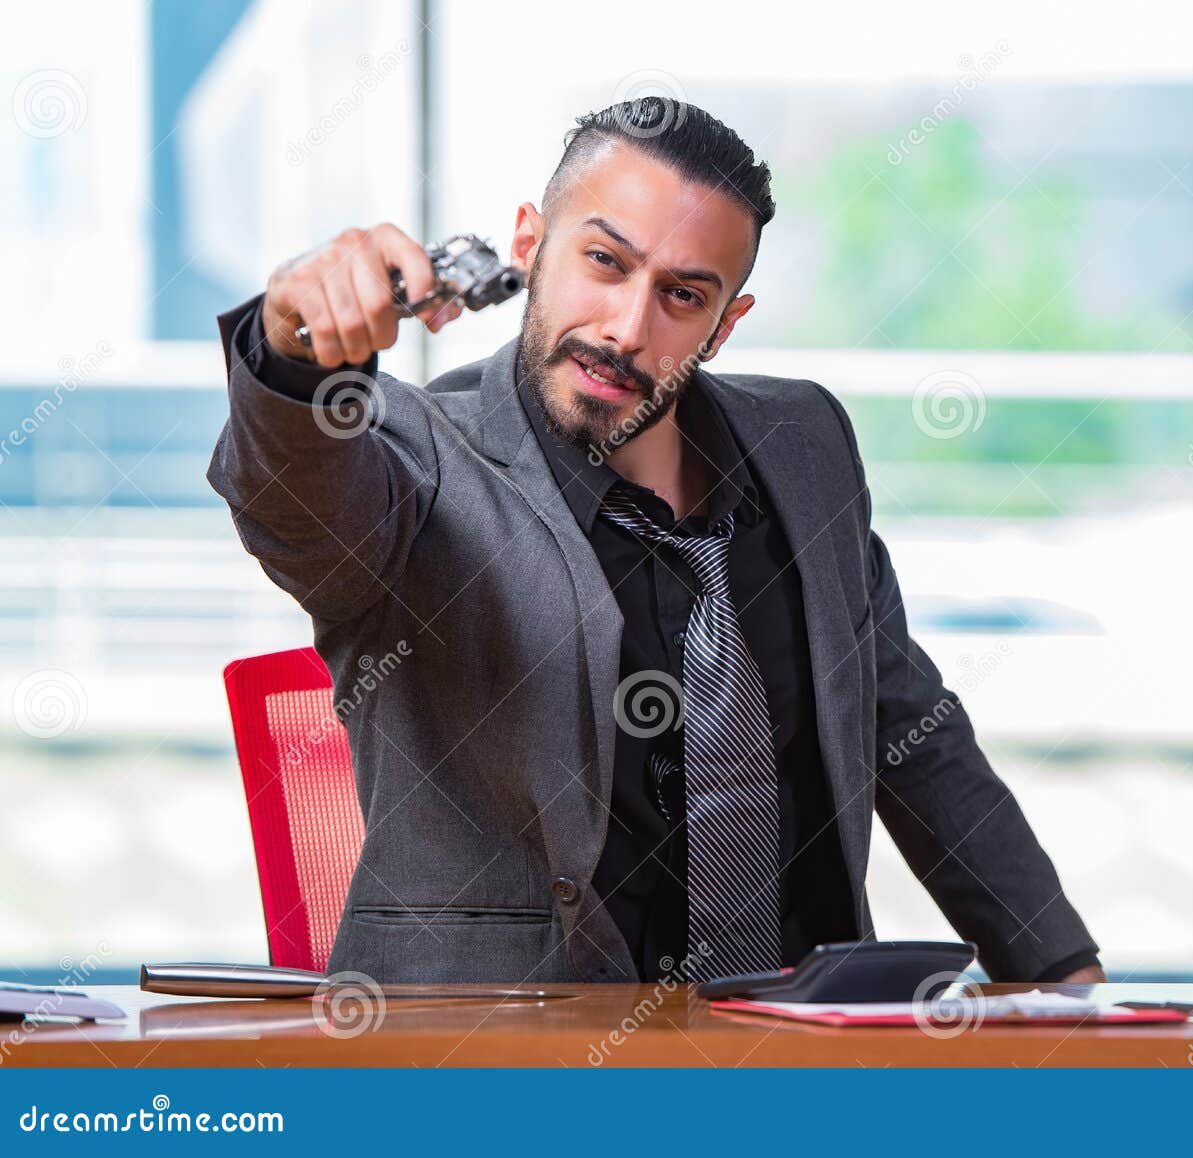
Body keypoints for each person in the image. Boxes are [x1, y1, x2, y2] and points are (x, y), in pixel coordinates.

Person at [208, 97, 1102, 985]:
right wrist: (293, 350)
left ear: (725, 324)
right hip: (506, 1069)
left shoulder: (805, 445)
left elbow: (908, 727)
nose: (627, 331)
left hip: (808, 1053)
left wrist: (1064, 971)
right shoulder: (415, 461)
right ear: (528, 247)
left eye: (682, 295)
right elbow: (293, 505)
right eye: (604, 261)